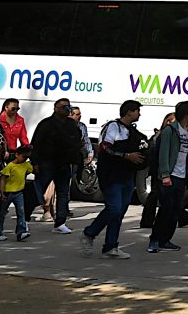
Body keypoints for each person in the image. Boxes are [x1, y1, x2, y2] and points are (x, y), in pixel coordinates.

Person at [82, 99, 147, 259]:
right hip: (112, 175)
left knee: (120, 211)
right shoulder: (113, 127)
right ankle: (89, 233)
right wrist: (126, 156)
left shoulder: (131, 130)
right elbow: (105, 148)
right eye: (137, 110)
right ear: (129, 111)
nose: (139, 114)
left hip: (126, 175)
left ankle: (111, 246)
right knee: (114, 208)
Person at [147, 100, 188, 254]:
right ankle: (154, 239)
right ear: (186, 113)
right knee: (165, 209)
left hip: (182, 175)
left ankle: (166, 239)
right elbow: (163, 153)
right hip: (170, 175)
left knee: (176, 210)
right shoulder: (170, 130)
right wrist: (165, 175)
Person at [31, 98, 84, 234]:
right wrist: (35, 162)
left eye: (68, 107)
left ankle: (60, 222)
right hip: (47, 162)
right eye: (64, 107)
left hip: (64, 164)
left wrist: (77, 158)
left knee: (63, 193)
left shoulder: (71, 125)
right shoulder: (46, 124)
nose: (67, 109)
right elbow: (36, 143)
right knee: (38, 190)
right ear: (56, 108)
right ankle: (24, 217)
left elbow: (76, 142)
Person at [138, 111, 176, 231]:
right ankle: (149, 221)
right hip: (159, 169)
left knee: (156, 195)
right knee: (157, 194)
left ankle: (147, 220)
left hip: (158, 168)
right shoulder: (164, 134)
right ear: (168, 121)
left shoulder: (161, 133)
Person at [0, 144, 31, 241]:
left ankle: (21, 232)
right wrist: (2, 193)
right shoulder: (10, 167)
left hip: (19, 192)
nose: (25, 159)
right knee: (2, 213)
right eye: (23, 157)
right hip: (7, 193)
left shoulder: (26, 165)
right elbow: (3, 180)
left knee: (21, 212)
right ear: (17, 155)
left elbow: (31, 170)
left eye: (27, 157)